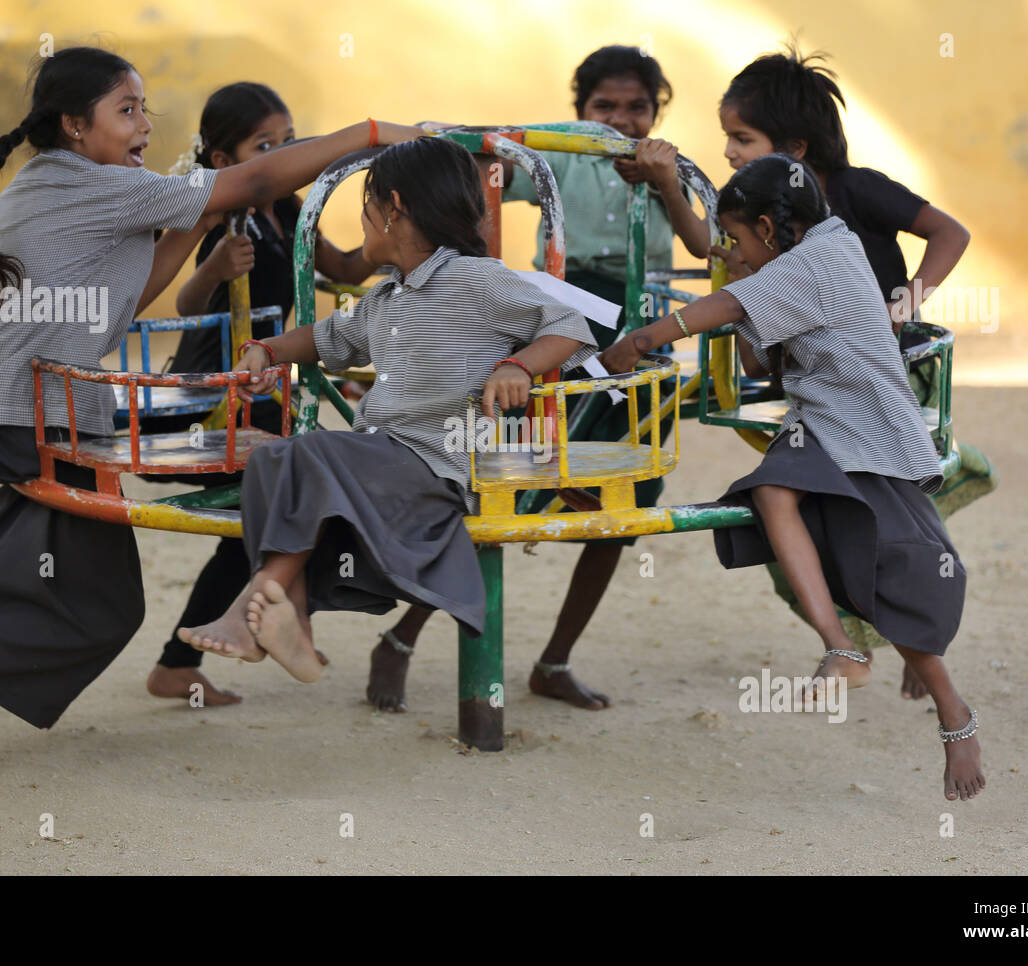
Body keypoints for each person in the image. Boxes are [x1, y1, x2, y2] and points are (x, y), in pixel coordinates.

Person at [0, 45, 421, 758]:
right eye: (125, 111)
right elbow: (261, 180)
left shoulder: (54, 181)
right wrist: (371, 133)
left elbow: (130, 298)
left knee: (38, 511)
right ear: (73, 126)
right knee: (104, 601)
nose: (143, 125)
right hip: (25, 403)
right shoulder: (100, 187)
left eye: (144, 110)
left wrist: (194, 221)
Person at [602, 154, 984, 802]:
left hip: (863, 430)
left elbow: (724, 304)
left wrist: (642, 341)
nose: (734, 251)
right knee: (810, 522)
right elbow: (751, 330)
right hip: (823, 427)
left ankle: (951, 712)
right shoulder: (811, 251)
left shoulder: (822, 256)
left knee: (879, 561)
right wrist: (723, 248)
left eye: (741, 238)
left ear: (771, 229)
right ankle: (849, 649)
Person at [175, 136, 598, 682]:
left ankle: (259, 612)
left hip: (435, 467)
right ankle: (291, 619)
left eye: (366, 212)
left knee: (306, 454)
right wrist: (270, 351)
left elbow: (569, 325)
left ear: (394, 210)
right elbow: (328, 338)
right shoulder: (385, 297)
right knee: (272, 461)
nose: (363, 227)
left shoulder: (477, 279)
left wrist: (517, 367)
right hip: (382, 462)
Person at [368, 44, 709, 714]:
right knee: (509, 491)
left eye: (637, 107)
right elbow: (487, 168)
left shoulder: (668, 168)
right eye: (604, 106)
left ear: (656, 111)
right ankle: (403, 637)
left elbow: (701, 241)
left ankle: (554, 660)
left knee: (624, 500)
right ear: (579, 110)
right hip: (565, 324)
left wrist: (665, 179)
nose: (622, 120)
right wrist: (460, 140)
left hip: (639, 338)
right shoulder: (562, 155)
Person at [716, 44, 986, 698]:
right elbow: (751, 321)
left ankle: (894, 637)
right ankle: (867, 638)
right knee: (811, 512)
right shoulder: (765, 223)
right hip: (816, 393)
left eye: (741, 138)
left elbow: (950, 232)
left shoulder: (855, 192)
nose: (727, 152)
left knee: (872, 514)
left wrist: (907, 300)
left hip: (878, 382)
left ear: (796, 149)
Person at [143, 82, 376, 707]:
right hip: (213, 394)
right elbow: (188, 304)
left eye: (288, 140)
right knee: (277, 506)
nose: (282, 153)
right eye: (264, 145)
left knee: (273, 509)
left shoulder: (295, 208)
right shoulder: (219, 212)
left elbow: (347, 270)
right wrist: (216, 269)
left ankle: (229, 641)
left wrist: (396, 244)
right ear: (223, 161)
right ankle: (263, 628)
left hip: (267, 385)